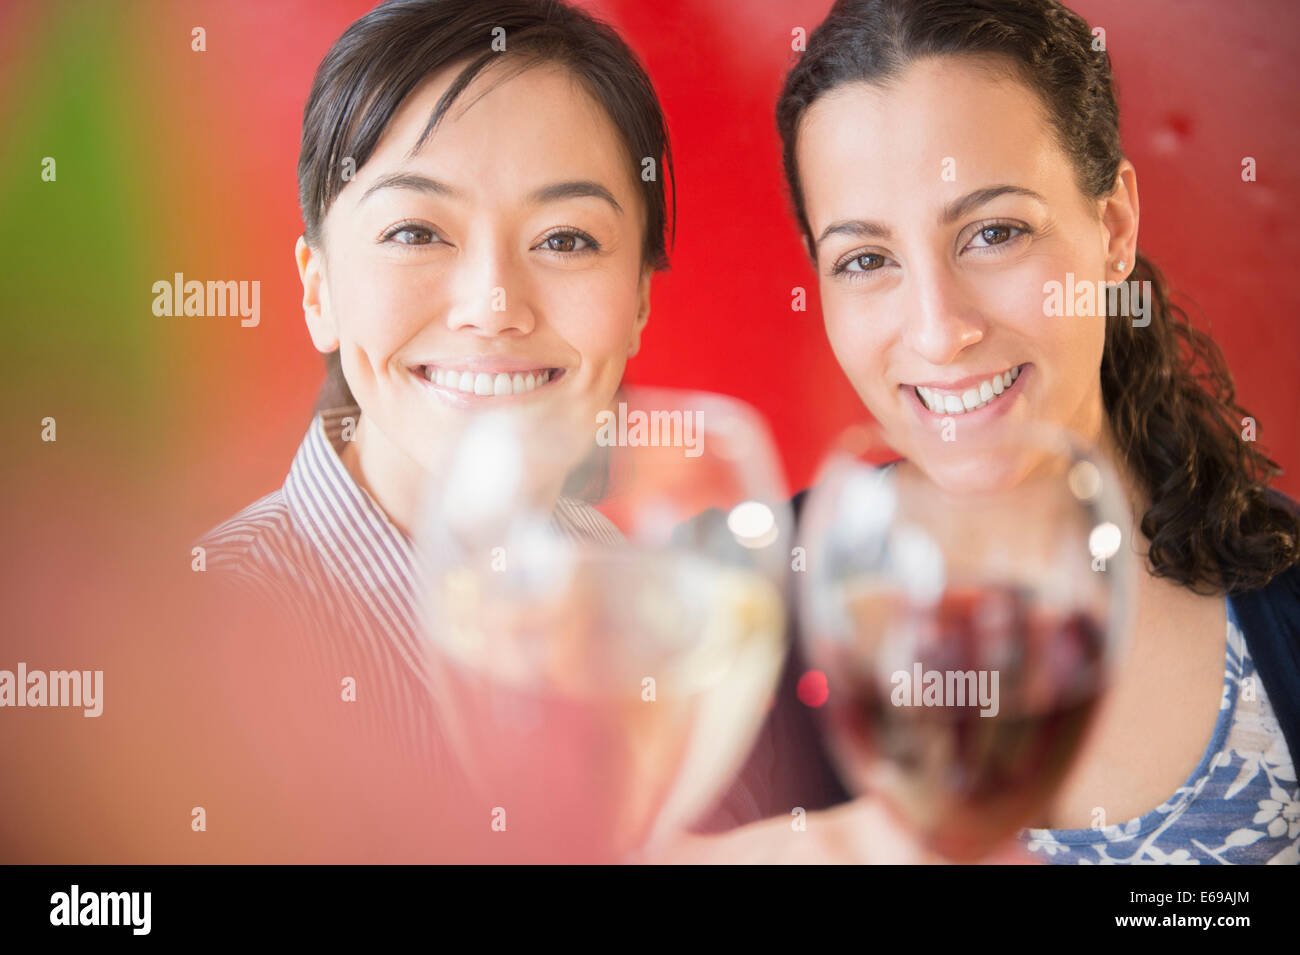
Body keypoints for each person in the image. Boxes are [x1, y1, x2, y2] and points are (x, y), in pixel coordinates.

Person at [698, 0, 1300, 864]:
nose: (939, 331)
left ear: (1114, 229)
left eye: (995, 232)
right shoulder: (726, 609)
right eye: (866, 259)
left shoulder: (1285, 589)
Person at [189, 0, 673, 854]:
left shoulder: (658, 611)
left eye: (565, 239)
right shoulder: (200, 643)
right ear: (317, 290)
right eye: (416, 230)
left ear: (637, 299)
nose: (493, 308)